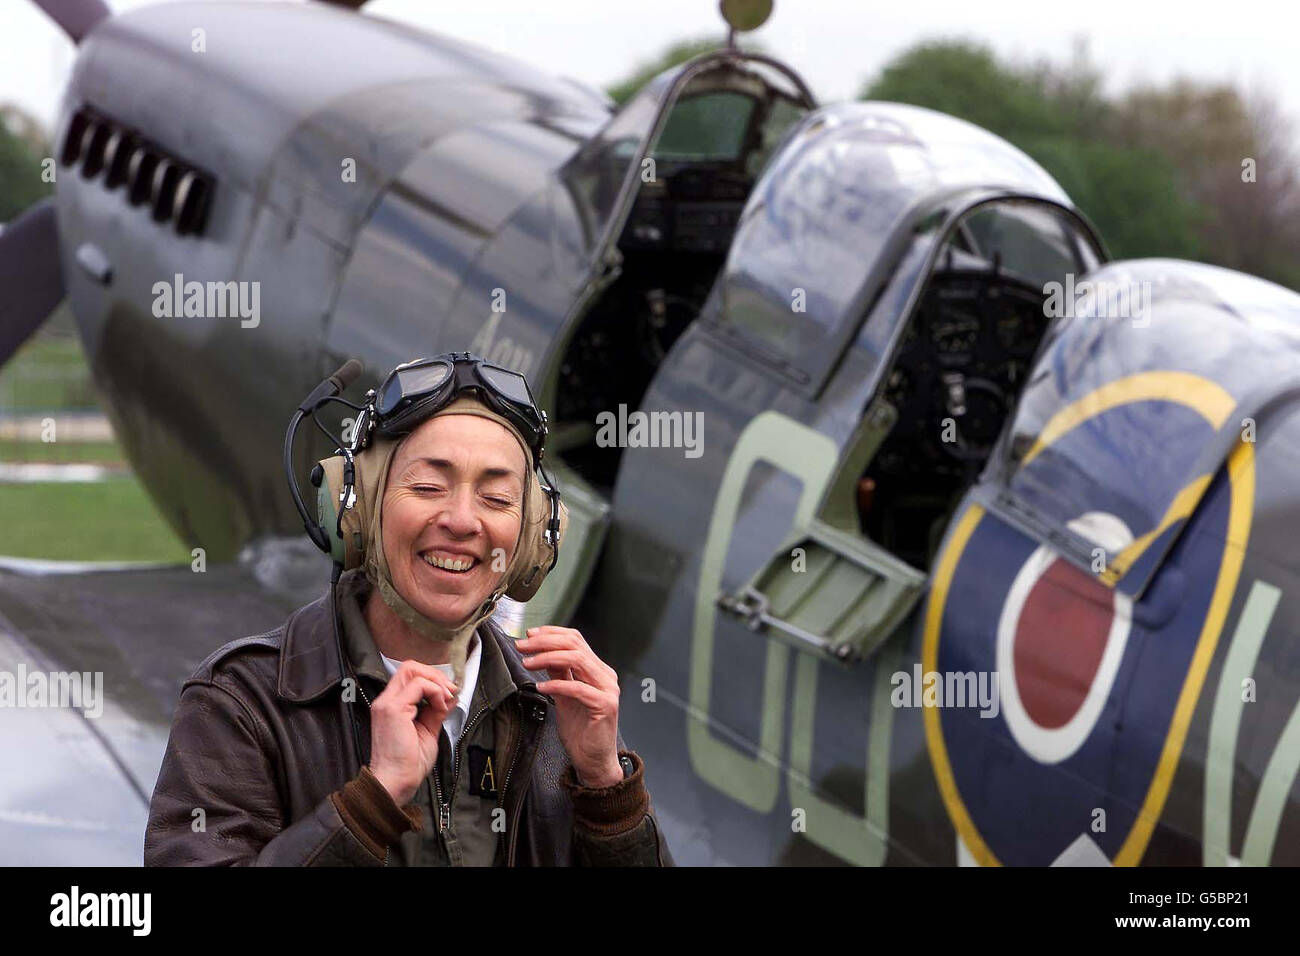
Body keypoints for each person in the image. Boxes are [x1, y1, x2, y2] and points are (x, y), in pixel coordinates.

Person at [144, 353, 671, 866]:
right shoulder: (245, 703)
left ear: (536, 537)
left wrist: (607, 791)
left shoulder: (556, 708)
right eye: (427, 486)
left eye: (496, 498)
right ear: (358, 509)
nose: (462, 520)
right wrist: (369, 805)